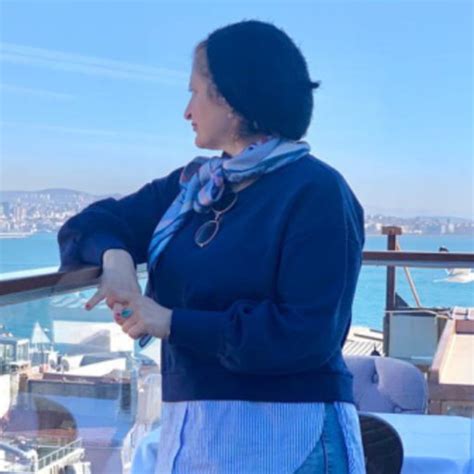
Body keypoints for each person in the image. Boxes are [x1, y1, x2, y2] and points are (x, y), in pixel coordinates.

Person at [58, 19, 366, 474]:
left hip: (288, 433)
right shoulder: (194, 187)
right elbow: (88, 225)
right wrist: (117, 258)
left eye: (195, 93)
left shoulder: (316, 192)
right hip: (198, 430)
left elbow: (307, 334)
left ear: (232, 100)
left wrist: (170, 321)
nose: (187, 111)